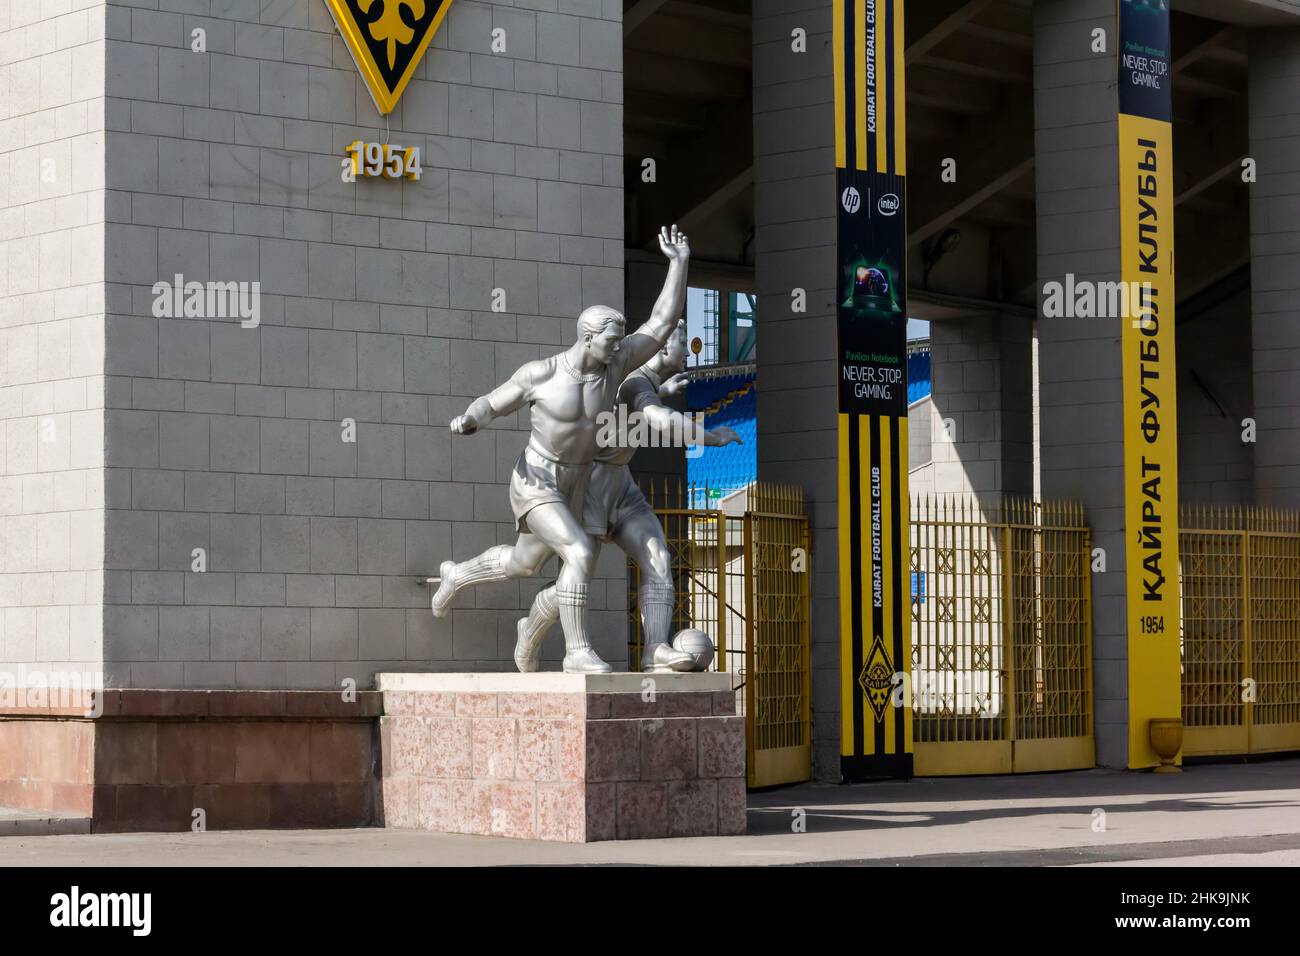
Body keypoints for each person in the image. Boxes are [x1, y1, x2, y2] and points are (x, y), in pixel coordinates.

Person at [429, 226, 691, 674]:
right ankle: (576, 653)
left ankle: (458, 574)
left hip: (578, 479)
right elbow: (493, 401)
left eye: (619, 342)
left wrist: (678, 262)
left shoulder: (618, 363)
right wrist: (471, 419)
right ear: (588, 338)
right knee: (579, 553)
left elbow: (661, 322)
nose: (619, 347)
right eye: (611, 340)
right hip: (537, 478)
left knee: (523, 563)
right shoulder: (543, 374)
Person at [513, 320, 742, 673]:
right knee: (572, 583)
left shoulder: (642, 382)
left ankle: (655, 648)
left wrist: (662, 390)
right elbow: (662, 423)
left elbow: (632, 407)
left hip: (623, 488)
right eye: (683, 340)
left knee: (658, 557)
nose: (689, 347)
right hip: (592, 489)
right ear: (664, 347)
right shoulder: (635, 380)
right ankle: (530, 631)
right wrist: (711, 436)